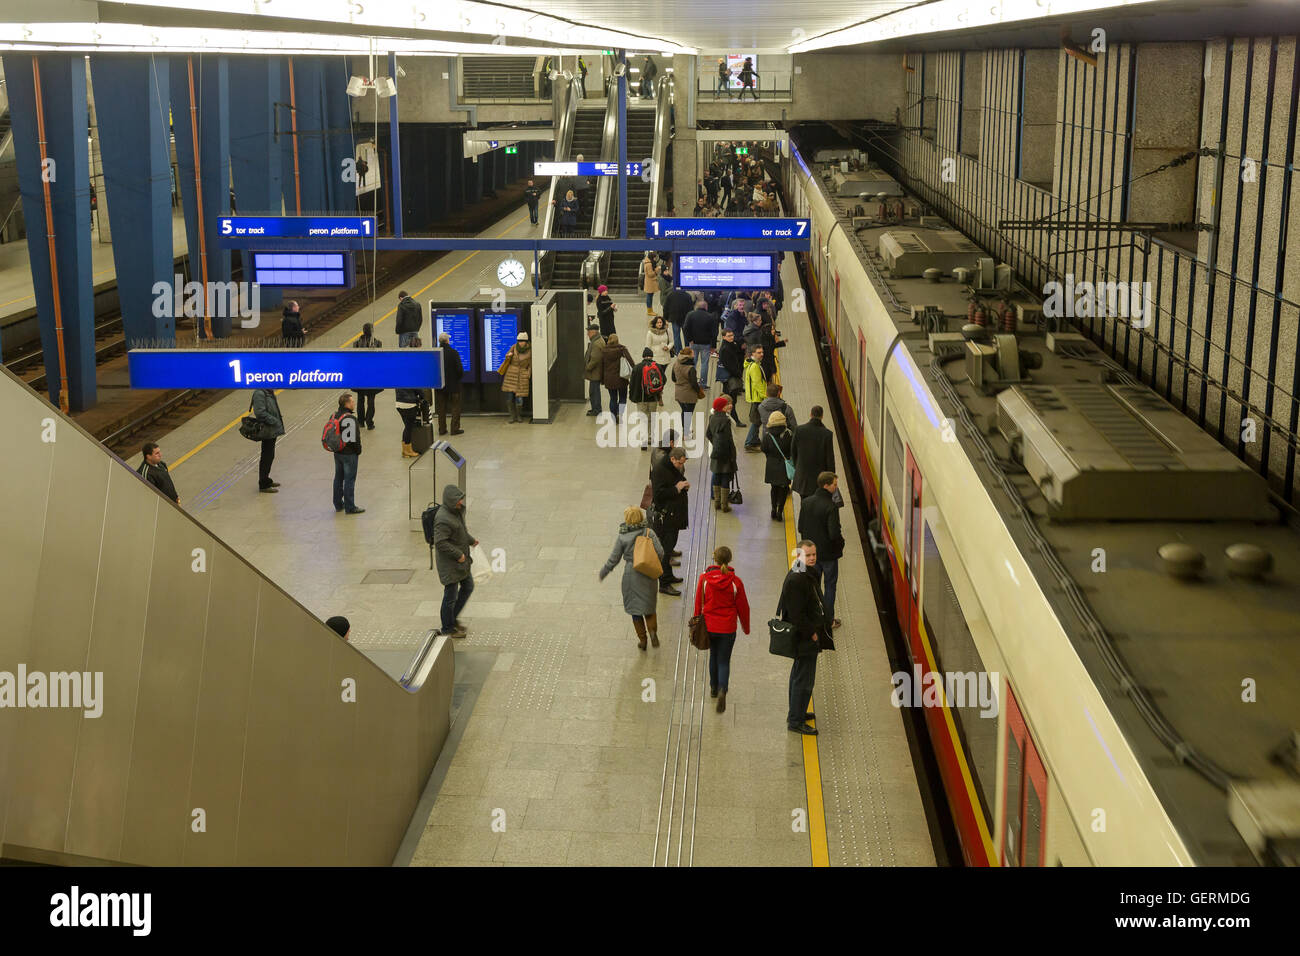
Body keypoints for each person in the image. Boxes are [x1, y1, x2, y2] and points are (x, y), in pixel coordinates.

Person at [779, 541, 831, 735]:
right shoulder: (797, 580)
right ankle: (795, 721)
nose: (812, 558)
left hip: (808, 635)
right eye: (808, 555)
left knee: (799, 675)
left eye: (814, 555)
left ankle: (797, 712)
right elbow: (796, 614)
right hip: (804, 638)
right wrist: (812, 632)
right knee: (804, 680)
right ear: (798, 556)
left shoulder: (806, 574)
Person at [598, 506, 664, 650]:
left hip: (631, 576)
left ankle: (643, 640)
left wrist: (604, 571)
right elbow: (661, 552)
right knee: (649, 608)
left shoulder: (622, 537)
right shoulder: (649, 532)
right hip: (649, 575)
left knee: (635, 610)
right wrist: (651, 562)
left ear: (627, 519)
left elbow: (614, 559)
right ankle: (653, 631)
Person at [695, 546, 751, 712]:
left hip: (709, 626)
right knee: (724, 660)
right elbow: (743, 607)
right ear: (730, 560)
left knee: (713, 655)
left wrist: (696, 621)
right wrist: (746, 627)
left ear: (715, 559)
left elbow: (698, 603)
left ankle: (713, 687)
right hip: (728, 628)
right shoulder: (735, 582)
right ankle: (722, 689)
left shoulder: (704, 579)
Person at [797, 472, 845, 630]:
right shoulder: (831, 506)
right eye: (834, 485)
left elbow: (801, 528)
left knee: (813, 586)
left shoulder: (807, 502)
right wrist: (841, 543)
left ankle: (813, 616)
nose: (836, 488)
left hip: (811, 554)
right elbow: (834, 534)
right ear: (826, 485)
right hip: (828, 555)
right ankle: (828, 620)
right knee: (830, 586)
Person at [433, 484, 478, 637]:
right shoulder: (443, 519)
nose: (462, 502)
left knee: (468, 586)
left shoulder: (455, 512)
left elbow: (461, 531)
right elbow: (440, 542)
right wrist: (458, 554)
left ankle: (452, 619)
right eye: (459, 499)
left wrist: (471, 540)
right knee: (450, 596)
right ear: (451, 501)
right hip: (450, 564)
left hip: (461, 562)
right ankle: (447, 628)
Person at [651, 446, 690, 596]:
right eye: (679, 463)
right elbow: (659, 494)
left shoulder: (672, 467)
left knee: (669, 548)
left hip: (674, 517)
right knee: (665, 551)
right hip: (665, 519)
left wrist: (684, 484)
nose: (681, 466)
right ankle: (664, 583)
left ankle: (668, 576)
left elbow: (678, 479)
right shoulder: (660, 470)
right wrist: (677, 489)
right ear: (672, 458)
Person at [329, 392, 364, 514]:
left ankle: (338, 504)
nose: (354, 403)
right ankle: (350, 507)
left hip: (337, 452)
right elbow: (353, 438)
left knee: (338, 477)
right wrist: (358, 450)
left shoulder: (334, 415)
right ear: (347, 404)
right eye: (352, 401)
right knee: (349, 479)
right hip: (349, 454)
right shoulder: (349, 418)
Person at [791, 406, 836, 500]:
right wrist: (831, 479)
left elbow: (793, 452)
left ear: (810, 414)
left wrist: (798, 467)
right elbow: (830, 459)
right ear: (822, 416)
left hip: (803, 477)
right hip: (820, 481)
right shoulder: (827, 434)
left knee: (804, 503)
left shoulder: (799, 430)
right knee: (819, 505)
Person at [629, 347, 665, 450]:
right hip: (653, 398)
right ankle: (650, 437)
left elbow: (632, 384)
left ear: (643, 356)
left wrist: (632, 396)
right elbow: (663, 380)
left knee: (643, 419)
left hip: (641, 399)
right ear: (652, 356)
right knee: (651, 418)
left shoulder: (637, 367)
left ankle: (644, 440)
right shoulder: (657, 366)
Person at [706, 395, 737, 513]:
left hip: (716, 453)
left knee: (717, 476)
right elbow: (729, 439)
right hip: (726, 454)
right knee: (725, 478)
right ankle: (724, 505)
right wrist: (733, 455)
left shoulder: (712, 418)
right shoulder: (726, 420)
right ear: (722, 407)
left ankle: (717, 502)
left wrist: (715, 444)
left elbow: (708, 434)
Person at [251, 387, 284, 492]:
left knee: (269, 455)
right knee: (266, 456)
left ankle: (266, 479)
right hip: (267, 429)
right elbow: (260, 413)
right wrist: (274, 421)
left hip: (271, 429)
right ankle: (263, 484)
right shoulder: (260, 394)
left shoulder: (268, 392)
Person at [682, 295, 720, 388]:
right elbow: (714, 333)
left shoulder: (690, 314)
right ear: (706, 307)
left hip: (693, 343)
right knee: (704, 364)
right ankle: (703, 383)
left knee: (693, 363)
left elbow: (685, 328)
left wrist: (689, 339)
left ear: (697, 307)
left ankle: (692, 382)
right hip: (706, 344)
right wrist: (713, 346)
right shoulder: (710, 317)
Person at [763, 410, 794, 520]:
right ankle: (780, 511)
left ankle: (773, 509)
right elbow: (792, 451)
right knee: (783, 489)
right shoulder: (788, 434)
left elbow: (764, 449)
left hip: (771, 465)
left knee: (774, 488)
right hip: (784, 467)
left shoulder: (767, 435)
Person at [352, 322, 382, 430]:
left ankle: (360, 422)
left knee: (360, 399)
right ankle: (369, 422)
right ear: (372, 331)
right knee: (371, 400)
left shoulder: (356, 344)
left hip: (360, 376)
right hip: (372, 376)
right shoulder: (378, 343)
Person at [498, 331, 532, 423]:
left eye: (522, 341)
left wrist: (528, 373)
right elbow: (507, 359)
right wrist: (508, 356)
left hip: (522, 375)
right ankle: (512, 416)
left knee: (519, 399)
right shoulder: (513, 347)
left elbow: (531, 364)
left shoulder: (530, 349)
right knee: (509, 398)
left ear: (526, 341)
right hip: (511, 375)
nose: (520, 342)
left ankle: (519, 415)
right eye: (519, 340)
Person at [599, 332, 634, 422]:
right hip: (621, 378)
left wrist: (602, 379)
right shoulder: (622, 349)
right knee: (622, 398)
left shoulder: (604, 351)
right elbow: (630, 362)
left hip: (609, 379)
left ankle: (614, 416)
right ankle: (620, 413)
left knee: (613, 398)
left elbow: (601, 366)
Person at [435, 331, 465, 436]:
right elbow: (460, 370)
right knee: (455, 407)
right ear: (448, 341)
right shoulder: (454, 352)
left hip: (440, 386)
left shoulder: (436, 353)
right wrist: (457, 379)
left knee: (441, 408)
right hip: (454, 386)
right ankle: (454, 429)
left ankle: (442, 429)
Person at [717, 329, 745, 426]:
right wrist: (738, 374)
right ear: (724, 337)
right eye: (729, 336)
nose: (731, 337)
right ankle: (735, 420)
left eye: (732, 335)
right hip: (729, 379)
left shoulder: (731, 345)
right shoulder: (725, 348)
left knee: (729, 400)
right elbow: (729, 365)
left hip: (730, 378)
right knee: (730, 401)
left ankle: (731, 419)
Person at [671, 347, 701, 438]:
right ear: (689, 356)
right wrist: (699, 391)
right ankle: (686, 433)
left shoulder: (676, 363)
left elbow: (673, 378)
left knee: (684, 411)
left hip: (679, 393)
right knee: (688, 413)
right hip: (689, 395)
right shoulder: (690, 368)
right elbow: (694, 383)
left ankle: (685, 430)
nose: (694, 354)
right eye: (692, 353)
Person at [742, 345, 767, 450]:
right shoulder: (755, 367)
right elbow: (757, 383)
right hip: (757, 398)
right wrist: (765, 396)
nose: (761, 354)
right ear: (752, 354)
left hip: (755, 397)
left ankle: (754, 440)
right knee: (756, 421)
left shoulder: (752, 364)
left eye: (762, 352)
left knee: (757, 420)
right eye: (758, 352)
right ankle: (750, 442)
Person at [663, 283, 693, 352]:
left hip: (674, 318)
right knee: (686, 335)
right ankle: (687, 350)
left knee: (676, 336)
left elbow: (666, 307)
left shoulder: (670, 295)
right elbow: (691, 308)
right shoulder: (687, 295)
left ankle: (678, 351)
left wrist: (665, 318)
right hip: (685, 319)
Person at [584, 323, 605, 417]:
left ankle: (596, 409)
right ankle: (595, 408)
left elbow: (595, 358)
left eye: (588, 332)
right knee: (594, 390)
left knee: (594, 391)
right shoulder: (597, 340)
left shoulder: (596, 343)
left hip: (595, 372)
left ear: (593, 332)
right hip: (596, 371)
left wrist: (587, 367)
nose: (587, 334)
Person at [395, 387, 423, 458]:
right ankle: (408, 451)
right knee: (408, 428)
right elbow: (418, 389)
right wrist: (421, 397)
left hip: (399, 404)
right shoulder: (411, 377)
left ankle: (405, 450)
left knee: (407, 427)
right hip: (409, 404)